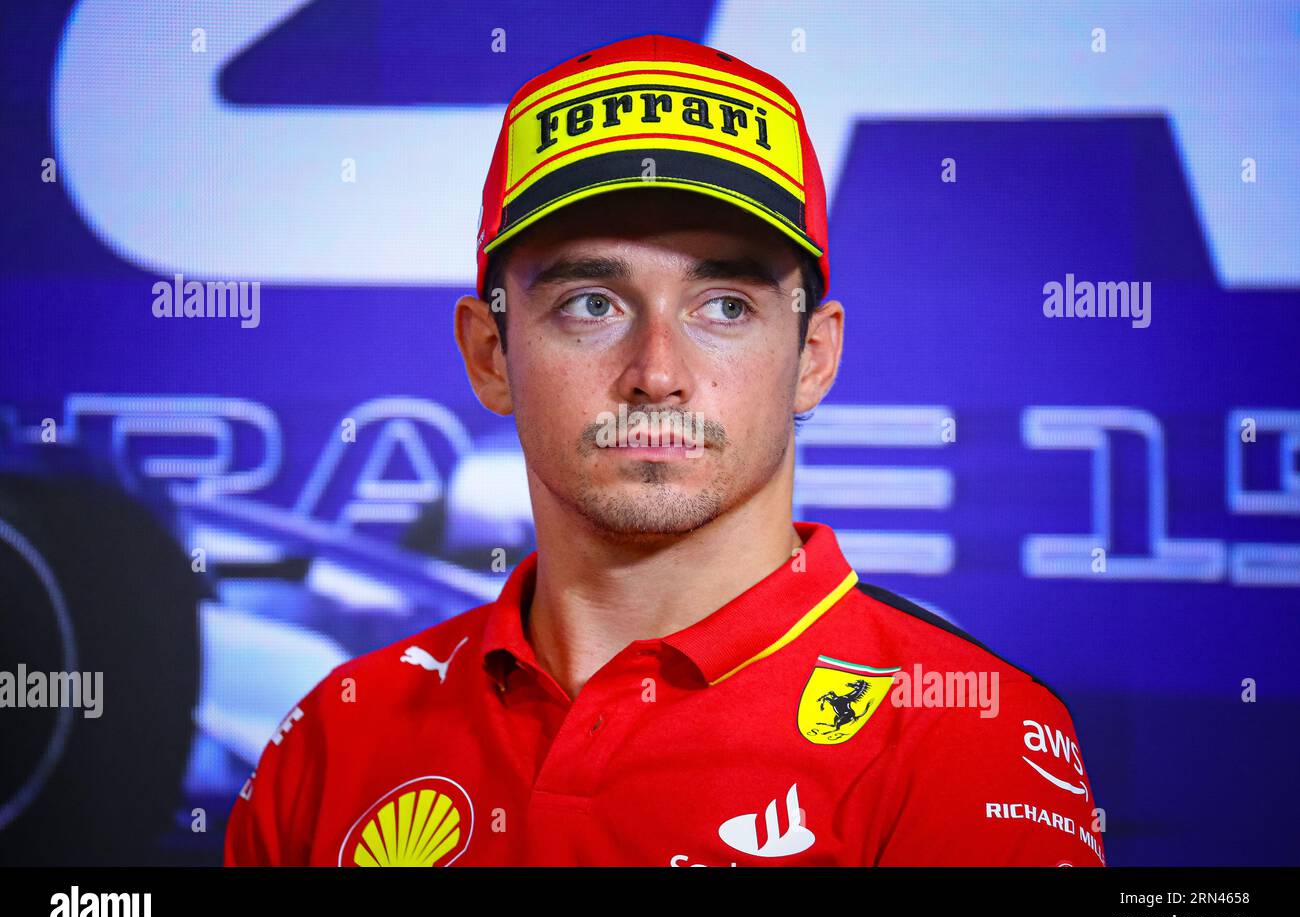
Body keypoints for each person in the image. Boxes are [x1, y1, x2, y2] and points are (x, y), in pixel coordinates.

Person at [225, 33, 1104, 867]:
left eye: (725, 305)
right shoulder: (335, 736)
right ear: (490, 354)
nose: (656, 374)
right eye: (591, 304)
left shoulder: (967, 737)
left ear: (814, 357)